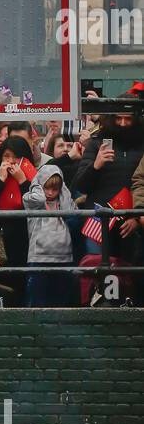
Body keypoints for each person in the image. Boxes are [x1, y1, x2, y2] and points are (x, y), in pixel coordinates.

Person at [71, 102, 144, 305]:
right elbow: (80, 185)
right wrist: (96, 165)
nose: (122, 123)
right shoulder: (96, 143)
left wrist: (137, 218)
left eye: (128, 119)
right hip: (98, 221)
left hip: (131, 222)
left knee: (131, 276)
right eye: (118, 118)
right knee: (96, 273)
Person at [0, 133, 37, 304]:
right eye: (7, 156)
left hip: (24, 237)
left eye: (17, 157)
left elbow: (35, 204)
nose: (11, 161)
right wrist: (1, 179)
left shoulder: (34, 177)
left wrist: (22, 181)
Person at [23, 162, 78, 306]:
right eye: (46, 188)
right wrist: (36, 183)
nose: (50, 193)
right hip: (38, 258)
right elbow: (39, 198)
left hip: (64, 258)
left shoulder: (64, 200)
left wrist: (64, 190)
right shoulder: (31, 199)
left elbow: (70, 214)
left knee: (60, 303)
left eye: (55, 189)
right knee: (37, 303)